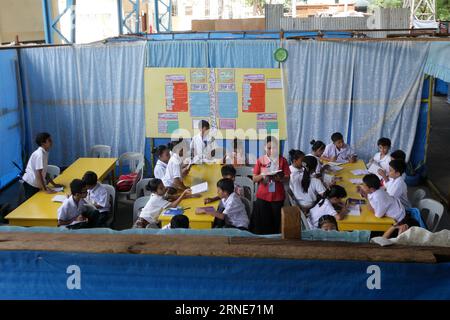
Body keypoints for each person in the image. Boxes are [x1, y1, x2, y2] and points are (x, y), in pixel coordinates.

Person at [250, 136, 290, 234]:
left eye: (274, 148)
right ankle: (264, 239)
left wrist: (280, 178)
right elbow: (254, 178)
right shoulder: (260, 160)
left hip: (277, 196)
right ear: (264, 148)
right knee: (263, 220)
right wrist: (263, 175)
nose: (272, 150)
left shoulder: (282, 160)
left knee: (276, 220)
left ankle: (274, 239)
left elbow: (288, 177)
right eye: (269, 148)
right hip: (263, 196)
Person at [22, 132, 63, 199]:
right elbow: (39, 174)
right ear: (43, 143)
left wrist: (54, 184)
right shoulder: (40, 154)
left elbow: (44, 173)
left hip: (37, 184)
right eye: (49, 140)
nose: (51, 142)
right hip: (30, 184)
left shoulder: (45, 153)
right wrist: (45, 189)